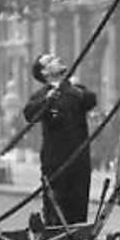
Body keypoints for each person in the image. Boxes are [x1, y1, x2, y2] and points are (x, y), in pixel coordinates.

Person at [23, 52, 98, 226]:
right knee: (55, 208)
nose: (58, 59)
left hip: (79, 160)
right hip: (55, 162)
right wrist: (47, 100)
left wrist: (71, 87)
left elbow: (90, 101)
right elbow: (29, 114)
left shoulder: (74, 89)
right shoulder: (41, 95)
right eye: (50, 60)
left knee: (78, 207)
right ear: (44, 73)